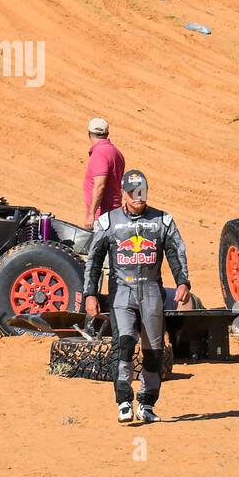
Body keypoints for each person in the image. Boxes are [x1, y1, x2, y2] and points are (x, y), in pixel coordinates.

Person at [83, 170, 191, 423]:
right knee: (124, 344)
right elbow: (94, 260)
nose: (138, 197)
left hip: (152, 292)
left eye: (142, 192)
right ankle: (123, 401)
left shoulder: (163, 220)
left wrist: (183, 282)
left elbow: (177, 251)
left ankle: (147, 403)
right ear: (124, 194)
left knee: (153, 351)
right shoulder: (108, 222)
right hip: (121, 293)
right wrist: (90, 294)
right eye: (133, 193)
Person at [82, 117, 125, 227]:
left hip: (102, 218)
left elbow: (100, 185)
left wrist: (91, 214)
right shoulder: (116, 153)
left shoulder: (99, 154)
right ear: (107, 134)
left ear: (89, 134)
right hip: (115, 215)